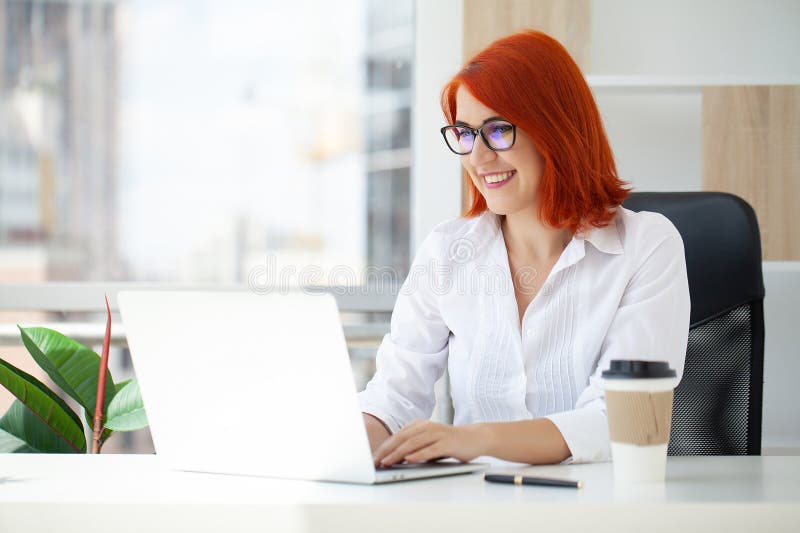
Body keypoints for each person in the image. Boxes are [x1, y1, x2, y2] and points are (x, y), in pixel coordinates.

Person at [358, 30, 690, 467]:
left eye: (497, 131)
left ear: (555, 131)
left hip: (601, 506)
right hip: (479, 504)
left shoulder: (647, 247)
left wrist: (476, 439)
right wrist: (347, 443)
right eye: (464, 133)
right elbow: (394, 397)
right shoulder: (447, 252)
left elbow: (619, 420)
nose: (476, 157)